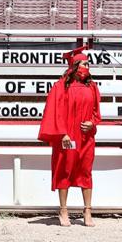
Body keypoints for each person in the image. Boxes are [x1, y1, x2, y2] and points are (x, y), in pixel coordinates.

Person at [39, 46, 101, 227]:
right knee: (64, 170)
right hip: (67, 136)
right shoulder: (60, 87)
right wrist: (62, 133)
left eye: (88, 64)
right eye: (83, 64)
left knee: (85, 170)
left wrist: (93, 122)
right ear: (74, 66)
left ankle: (87, 210)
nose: (86, 67)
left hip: (86, 136)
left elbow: (97, 112)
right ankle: (63, 209)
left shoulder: (92, 87)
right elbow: (53, 112)